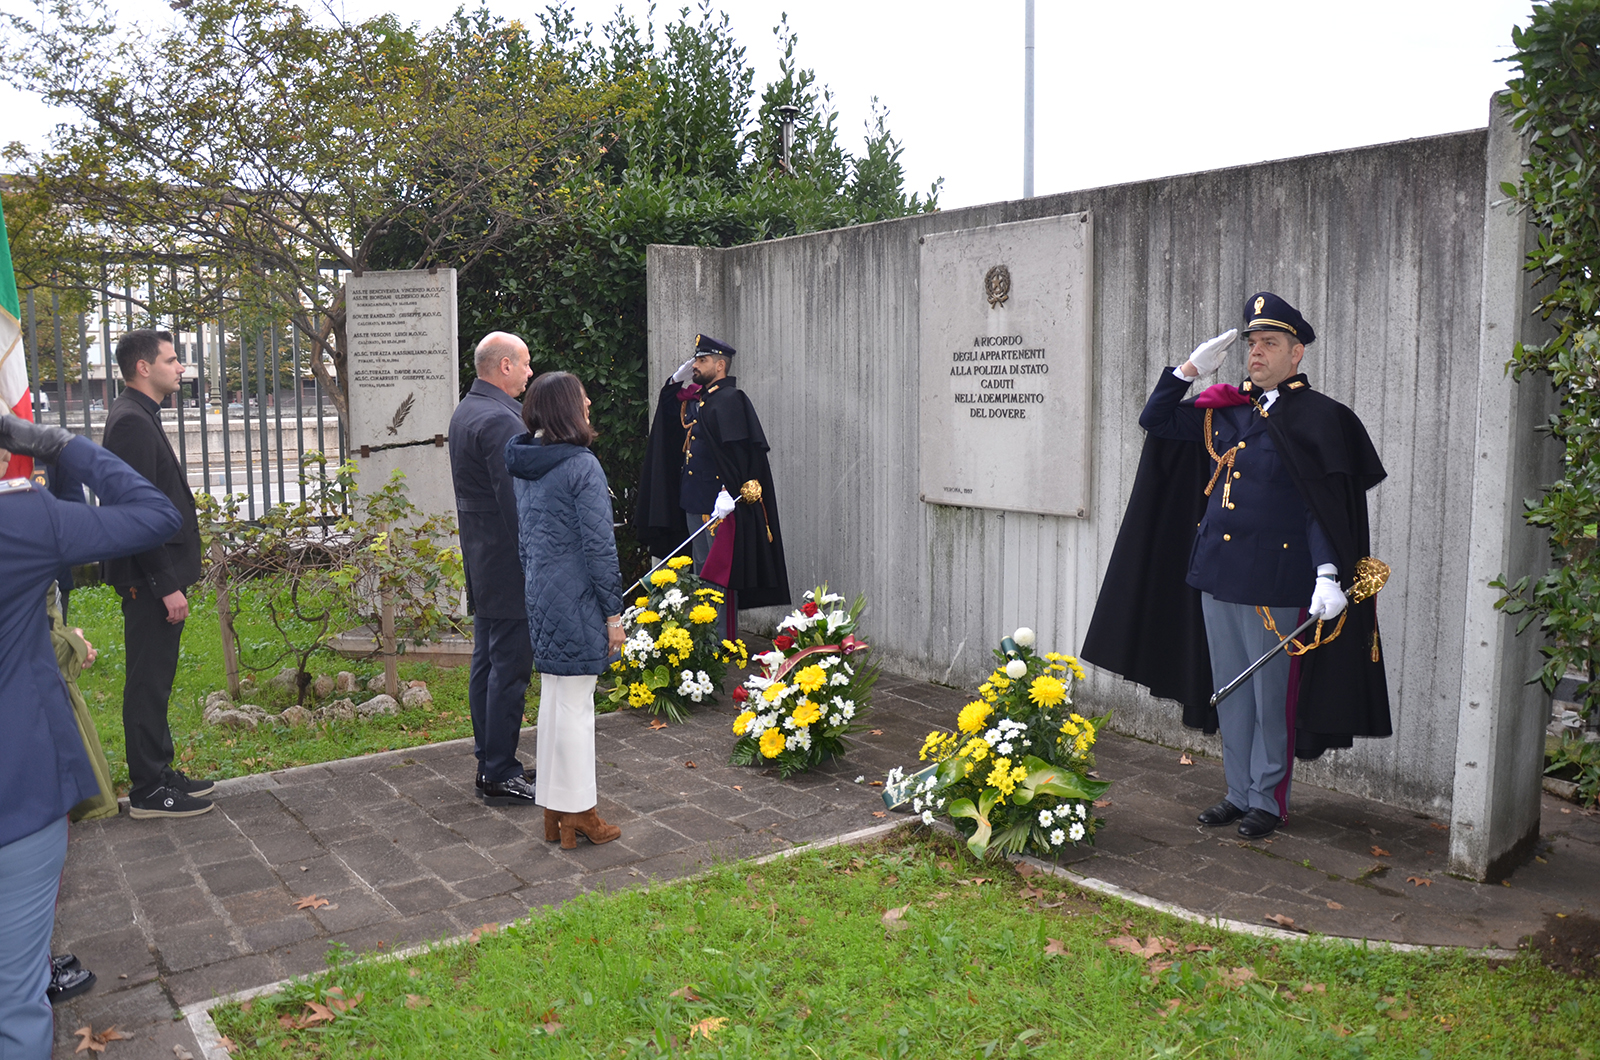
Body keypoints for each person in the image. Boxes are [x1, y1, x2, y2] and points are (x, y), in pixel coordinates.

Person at [1080, 292, 1390, 839]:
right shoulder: (1226, 408)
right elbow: (1154, 420)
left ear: (1297, 354)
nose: (1256, 353)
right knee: (1231, 692)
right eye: (1252, 343)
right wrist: (1189, 371)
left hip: (1278, 581)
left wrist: (1326, 572)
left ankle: (1268, 801)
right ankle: (1237, 792)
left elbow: (1324, 505)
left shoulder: (1322, 418)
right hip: (1217, 574)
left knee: (1273, 700)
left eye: (1270, 343)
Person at [0, 412, 182, 1059]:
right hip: (16, 796)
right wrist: (56, 446)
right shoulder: (20, 524)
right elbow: (155, 514)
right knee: (14, 1001)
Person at [505, 372, 625, 849]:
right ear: (565, 409)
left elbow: (525, 540)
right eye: (582, 397)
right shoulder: (581, 466)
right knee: (575, 709)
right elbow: (601, 548)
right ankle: (582, 814)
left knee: (555, 704)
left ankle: (555, 814)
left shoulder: (524, 461)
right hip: (576, 598)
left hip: (541, 594)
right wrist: (613, 615)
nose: (590, 402)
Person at [100, 329, 213, 818]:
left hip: (155, 575)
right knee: (147, 681)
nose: (180, 368)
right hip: (148, 579)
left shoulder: (141, 414)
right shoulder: (130, 422)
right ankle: (148, 789)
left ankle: (160, 769)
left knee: (158, 677)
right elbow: (135, 512)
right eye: (172, 360)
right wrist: (164, 584)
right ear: (143, 368)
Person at [634, 334, 790, 631]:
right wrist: (672, 384)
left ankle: (719, 640)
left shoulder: (730, 400)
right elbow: (670, 420)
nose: (695, 365)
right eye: (695, 359)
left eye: (702, 360)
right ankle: (705, 636)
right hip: (694, 501)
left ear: (720, 365)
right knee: (701, 572)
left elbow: (738, 457)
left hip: (718, 506)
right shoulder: (702, 399)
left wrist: (728, 494)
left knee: (719, 574)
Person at [448, 332, 538, 806]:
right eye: (524, 364)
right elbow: (516, 501)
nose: (529, 373)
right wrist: (537, 558)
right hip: (507, 563)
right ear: (503, 366)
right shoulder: (501, 420)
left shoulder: (469, 409)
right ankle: (500, 769)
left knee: (486, 662)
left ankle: (491, 761)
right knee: (508, 668)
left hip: (484, 557)